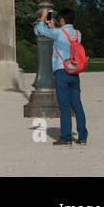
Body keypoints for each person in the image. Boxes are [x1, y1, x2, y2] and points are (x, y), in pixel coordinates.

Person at [34, 8, 88, 146]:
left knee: (64, 106)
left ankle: (66, 137)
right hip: (74, 72)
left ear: (63, 19)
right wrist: (54, 27)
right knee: (77, 105)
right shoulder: (78, 34)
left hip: (62, 71)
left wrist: (43, 17)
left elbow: (39, 29)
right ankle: (82, 137)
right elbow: (63, 37)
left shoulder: (58, 33)